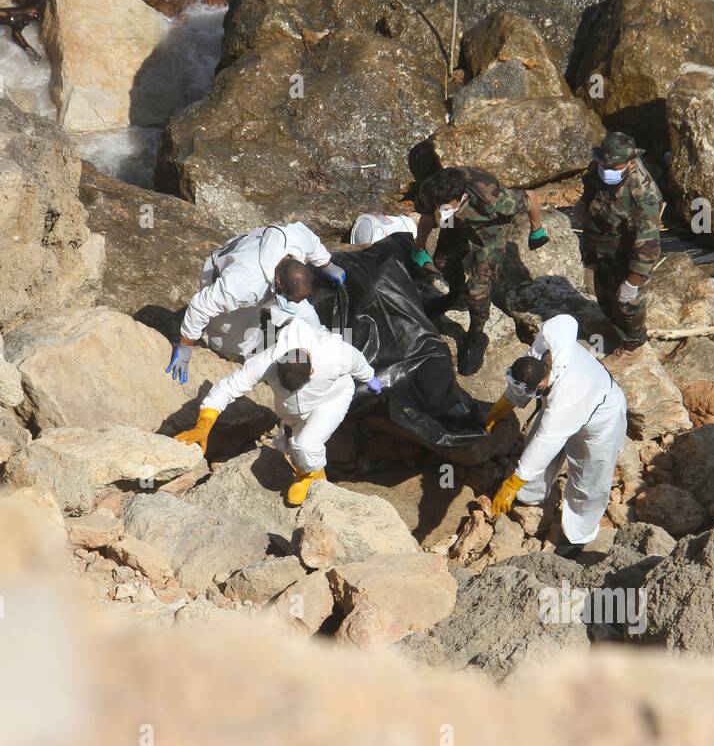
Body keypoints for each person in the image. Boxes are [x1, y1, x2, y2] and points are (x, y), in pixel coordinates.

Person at [174, 317, 380, 505]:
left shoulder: (334, 353)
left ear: (311, 373)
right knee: (294, 447)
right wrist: (204, 423)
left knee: (306, 445)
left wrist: (370, 377)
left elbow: (357, 361)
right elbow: (229, 386)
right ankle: (305, 470)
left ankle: (312, 479)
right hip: (291, 413)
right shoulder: (268, 360)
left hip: (330, 401)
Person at [485, 314, 627, 555]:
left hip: (601, 418)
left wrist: (511, 483)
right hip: (569, 404)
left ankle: (579, 534)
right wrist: (504, 405)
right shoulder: (540, 355)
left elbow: (546, 440)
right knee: (535, 452)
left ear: (541, 386)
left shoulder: (565, 399)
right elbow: (523, 383)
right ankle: (531, 496)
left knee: (589, 479)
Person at [166, 222, 347, 382]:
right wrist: (186, 344)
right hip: (223, 273)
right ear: (278, 283)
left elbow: (311, 239)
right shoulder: (244, 285)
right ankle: (229, 356)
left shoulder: (295, 241)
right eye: (290, 299)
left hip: (252, 255)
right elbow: (200, 306)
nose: (295, 304)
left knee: (309, 318)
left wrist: (327, 264)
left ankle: (322, 342)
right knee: (230, 336)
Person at [410, 166, 545, 376]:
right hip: (455, 221)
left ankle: (476, 335)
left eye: (445, 205)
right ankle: (455, 294)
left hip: (490, 229)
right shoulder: (433, 190)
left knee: (476, 291)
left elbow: (531, 196)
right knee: (443, 261)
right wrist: (419, 247)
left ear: (462, 196)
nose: (439, 208)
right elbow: (428, 215)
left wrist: (537, 230)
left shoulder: (495, 199)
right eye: (439, 205)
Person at [581, 131, 663, 366]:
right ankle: (614, 324)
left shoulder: (641, 196)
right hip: (603, 246)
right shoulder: (601, 167)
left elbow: (647, 247)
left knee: (627, 303)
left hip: (627, 254)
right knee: (604, 292)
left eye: (615, 166)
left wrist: (632, 283)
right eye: (605, 164)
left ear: (629, 162)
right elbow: (591, 187)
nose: (608, 170)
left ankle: (632, 344)